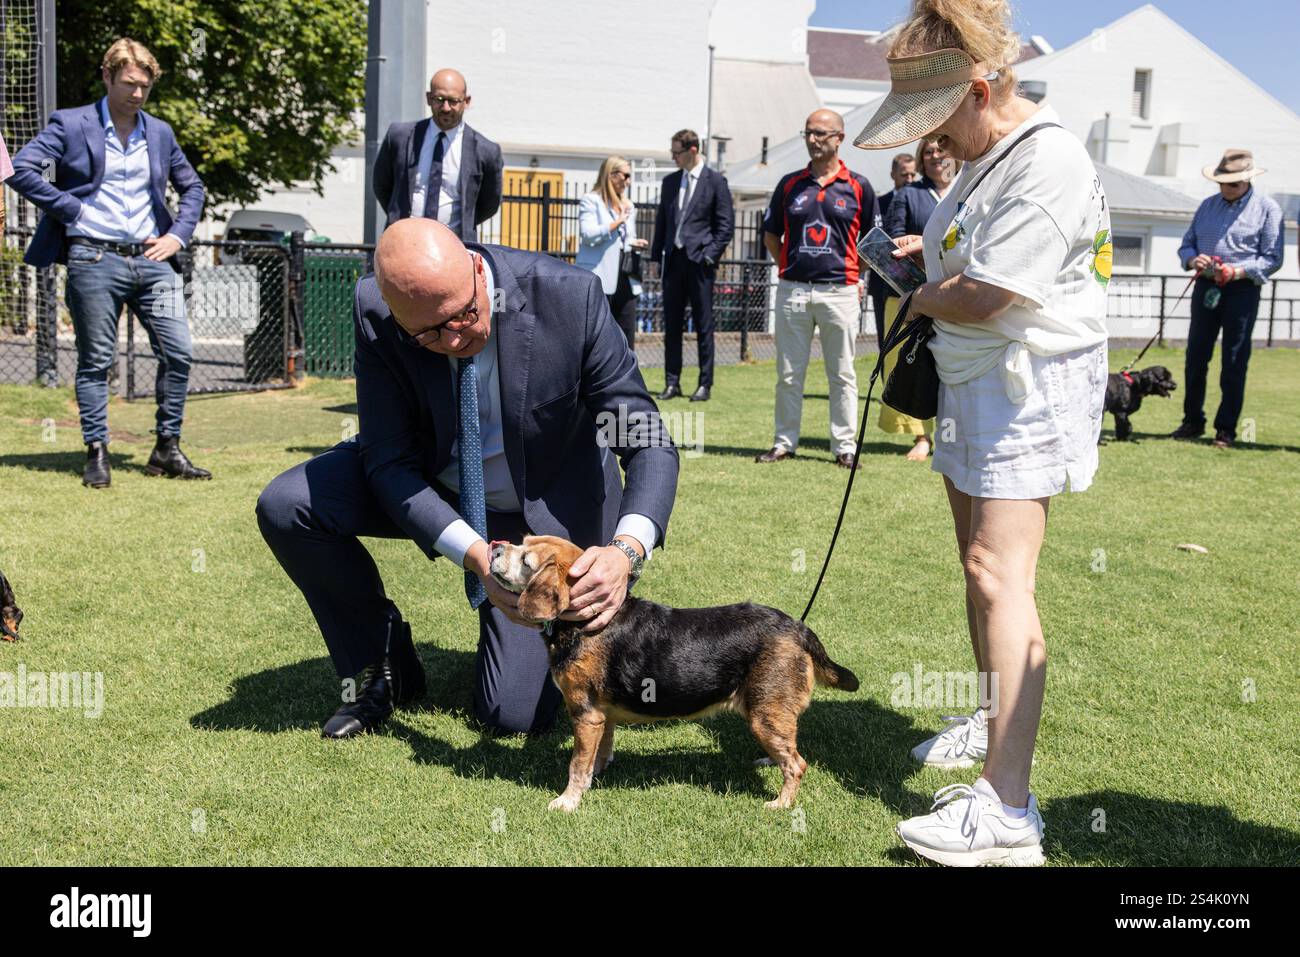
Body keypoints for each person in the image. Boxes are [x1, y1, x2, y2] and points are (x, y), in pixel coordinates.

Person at [855, 0, 1112, 866]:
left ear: (976, 88)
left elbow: (990, 291)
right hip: (973, 382)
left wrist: (915, 290)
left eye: (934, 118)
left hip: (1024, 388)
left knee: (1003, 575)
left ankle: (1008, 808)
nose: (931, 140)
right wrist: (919, 264)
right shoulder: (982, 157)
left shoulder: (1051, 159)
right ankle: (992, 715)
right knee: (977, 566)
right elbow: (958, 258)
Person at [255, 218, 679, 739]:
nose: (454, 337)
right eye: (428, 333)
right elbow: (388, 461)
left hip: (545, 515)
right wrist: (478, 557)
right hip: (441, 485)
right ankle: (383, 665)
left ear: (477, 269)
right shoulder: (373, 308)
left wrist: (625, 551)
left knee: (511, 717)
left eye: (464, 314)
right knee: (288, 504)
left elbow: (647, 440)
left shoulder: (572, 297)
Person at [8, 38, 208, 489]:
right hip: (92, 257)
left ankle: (166, 449)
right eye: (129, 84)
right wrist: (71, 210)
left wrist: (178, 234)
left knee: (179, 352)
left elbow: (192, 187)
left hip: (153, 260)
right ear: (107, 77)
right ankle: (97, 451)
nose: (137, 94)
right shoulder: (72, 123)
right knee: (96, 360)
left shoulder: (159, 132)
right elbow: (19, 168)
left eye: (145, 85)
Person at [756, 109, 879, 469]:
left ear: (839, 138)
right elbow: (770, 235)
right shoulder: (790, 184)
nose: (813, 140)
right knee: (789, 374)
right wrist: (788, 268)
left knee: (842, 373)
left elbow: (872, 240)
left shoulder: (858, 186)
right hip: (793, 289)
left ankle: (845, 446)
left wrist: (856, 275)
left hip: (839, 291)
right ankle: (783, 443)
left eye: (822, 134)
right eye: (808, 133)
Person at [1172, 148, 1283, 449]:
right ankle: (1192, 420)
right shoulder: (1207, 206)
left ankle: (1226, 429)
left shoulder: (1268, 209)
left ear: (1247, 180)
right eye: (1222, 182)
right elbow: (1187, 245)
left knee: (1234, 360)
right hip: (1205, 285)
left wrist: (1236, 271)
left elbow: (1272, 258)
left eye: (1232, 183)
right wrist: (1193, 260)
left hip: (1242, 290)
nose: (1226, 188)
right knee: (1196, 355)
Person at [879, 135, 961, 461]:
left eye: (941, 150)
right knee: (914, 365)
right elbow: (892, 240)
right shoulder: (908, 195)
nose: (936, 156)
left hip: (956, 294)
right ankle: (921, 438)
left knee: (949, 365)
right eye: (928, 152)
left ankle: (950, 434)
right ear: (921, 159)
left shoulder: (966, 190)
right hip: (913, 294)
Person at [649, 129, 734, 402]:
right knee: (672, 325)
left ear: (693, 150)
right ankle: (672, 383)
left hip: (700, 263)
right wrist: (654, 258)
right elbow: (662, 221)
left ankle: (704, 384)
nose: (673, 157)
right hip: (673, 262)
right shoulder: (670, 182)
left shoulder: (716, 181)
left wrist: (709, 255)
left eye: (677, 152)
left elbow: (725, 225)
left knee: (703, 325)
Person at [373, 68, 504, 241]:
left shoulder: (485, 151)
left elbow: (489, 204)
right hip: (403, 242)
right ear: (429, 98)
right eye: (439, 99)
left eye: (453, 101)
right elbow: (382, 186)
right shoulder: (399, 136)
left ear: (466, 101)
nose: (446, 108)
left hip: (454, 248)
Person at [576, 155, 648, 350]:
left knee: (626, 336)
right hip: (599, 276)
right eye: (625, 176)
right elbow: (588, 234)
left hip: (626, 276)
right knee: (597, 336)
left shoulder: (628, 205)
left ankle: (627, 378)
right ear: (611, 175)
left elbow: (624, 238)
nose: (628, 181)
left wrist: (634, 242)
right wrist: (617, 221)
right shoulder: (591, 201)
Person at [869, 153, 918, 342]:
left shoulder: (919, 202)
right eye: (904, 175)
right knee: (886, 339)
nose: (909, 180)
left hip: (913, 282)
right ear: (893, 175)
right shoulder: (878, 203)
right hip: (882, 283)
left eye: (913, 175)